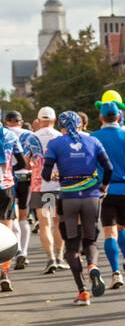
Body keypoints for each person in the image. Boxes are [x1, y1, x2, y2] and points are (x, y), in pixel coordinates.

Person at [43, 111, 114, 305]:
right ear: (81, 125)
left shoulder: (55, 144)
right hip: (92, 197)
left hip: (68, 199)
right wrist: (103, 186)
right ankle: (92, 266)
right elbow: (109, 168)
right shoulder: (93, 141)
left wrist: (56, 176)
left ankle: (83, 292)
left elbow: (45, 173)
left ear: (62, 127)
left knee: (72, 247)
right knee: (90, 241)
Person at [90, 101, 125, 288]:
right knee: (123, 227)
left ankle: (116, 272)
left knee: (109, 232)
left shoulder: (94, 137)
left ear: (101, 117)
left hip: (105, 189)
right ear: (118, 116)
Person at [31, 106, 66, 273]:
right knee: (59, 222)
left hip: (40, 186)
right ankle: (59, 257)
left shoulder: (32, 137)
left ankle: (51, 258)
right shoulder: (61, 137)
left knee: (45, 224)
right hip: (60, 186)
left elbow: (25, 162)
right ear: (54, 120)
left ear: (39, 121)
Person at [3, 110, 33, 273]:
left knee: (10, 220)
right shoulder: (28, 135)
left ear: (7, 121)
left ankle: (18, 251)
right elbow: (27, 161)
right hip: (22, 179)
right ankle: (23, 251)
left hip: (9, 180)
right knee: (22, 217)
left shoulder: (7, 133)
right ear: (20, 121)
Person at [0, 116, 19, 292]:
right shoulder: (10, 135)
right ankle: (4, 273)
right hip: (6, 186)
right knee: (7, 231)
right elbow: (20, 161)